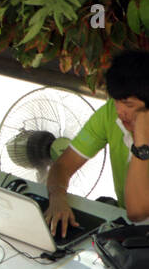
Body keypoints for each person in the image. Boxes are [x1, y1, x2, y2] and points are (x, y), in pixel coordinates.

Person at [46, 50, 149, 235]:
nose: (119, 111)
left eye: (129, 105)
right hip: (128, 224)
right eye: (116, 101)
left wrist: (142, 144)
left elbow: (138, 213)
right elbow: (63, 165)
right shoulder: (110, 113)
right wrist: (57, 197)